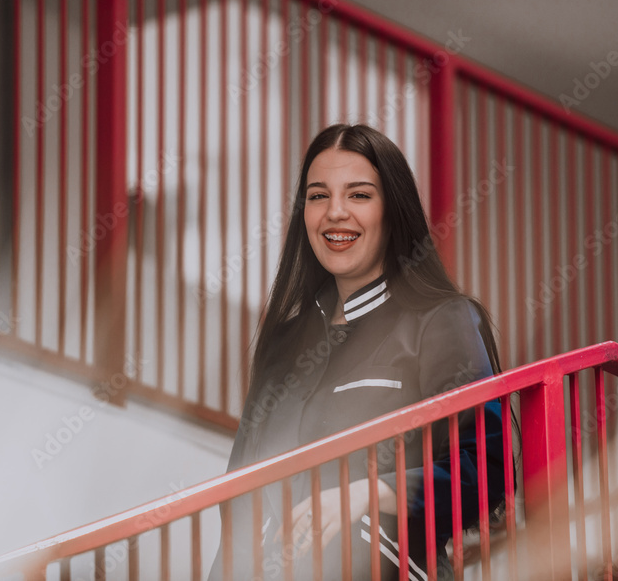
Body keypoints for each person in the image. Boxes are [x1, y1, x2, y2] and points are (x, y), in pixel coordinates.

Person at [209, 124, 508, 580]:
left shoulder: (440, 319)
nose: (335, 213)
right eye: (317, 196)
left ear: (393, 211)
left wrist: (365, 494)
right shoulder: (283, 345)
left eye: (359, 195)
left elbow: (482, 471)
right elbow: (240, 500)